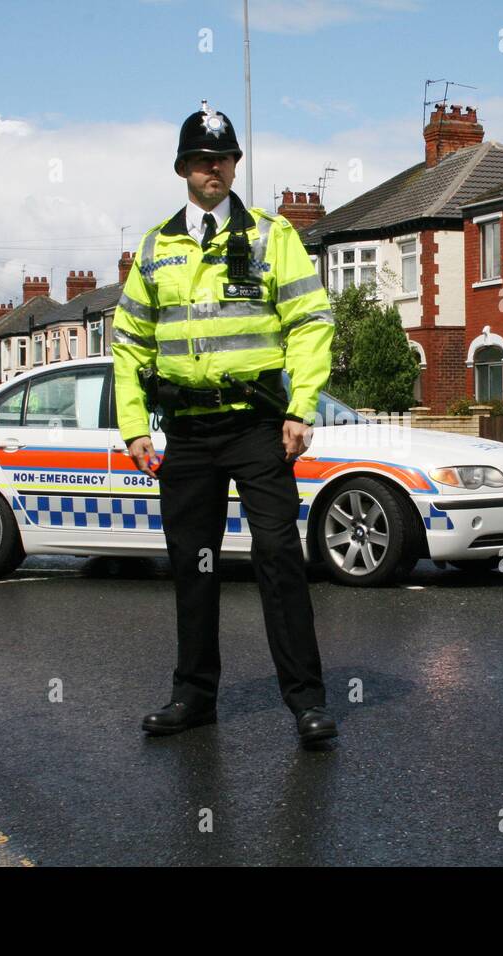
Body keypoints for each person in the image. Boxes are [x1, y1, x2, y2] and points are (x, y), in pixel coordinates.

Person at [112, 102, 338, 746]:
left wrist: (301, 409)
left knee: (278, 556)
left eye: (226, 158)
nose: (215, 168)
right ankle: (194, 696)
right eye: (203, 159)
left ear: (236, 165)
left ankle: (308, 702)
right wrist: (134, 427)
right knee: (194, 562)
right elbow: (128, 343)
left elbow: (311, 323)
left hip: (256, 427)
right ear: (183, 168)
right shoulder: (156, 247)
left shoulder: (272, 235)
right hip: (185, 431)